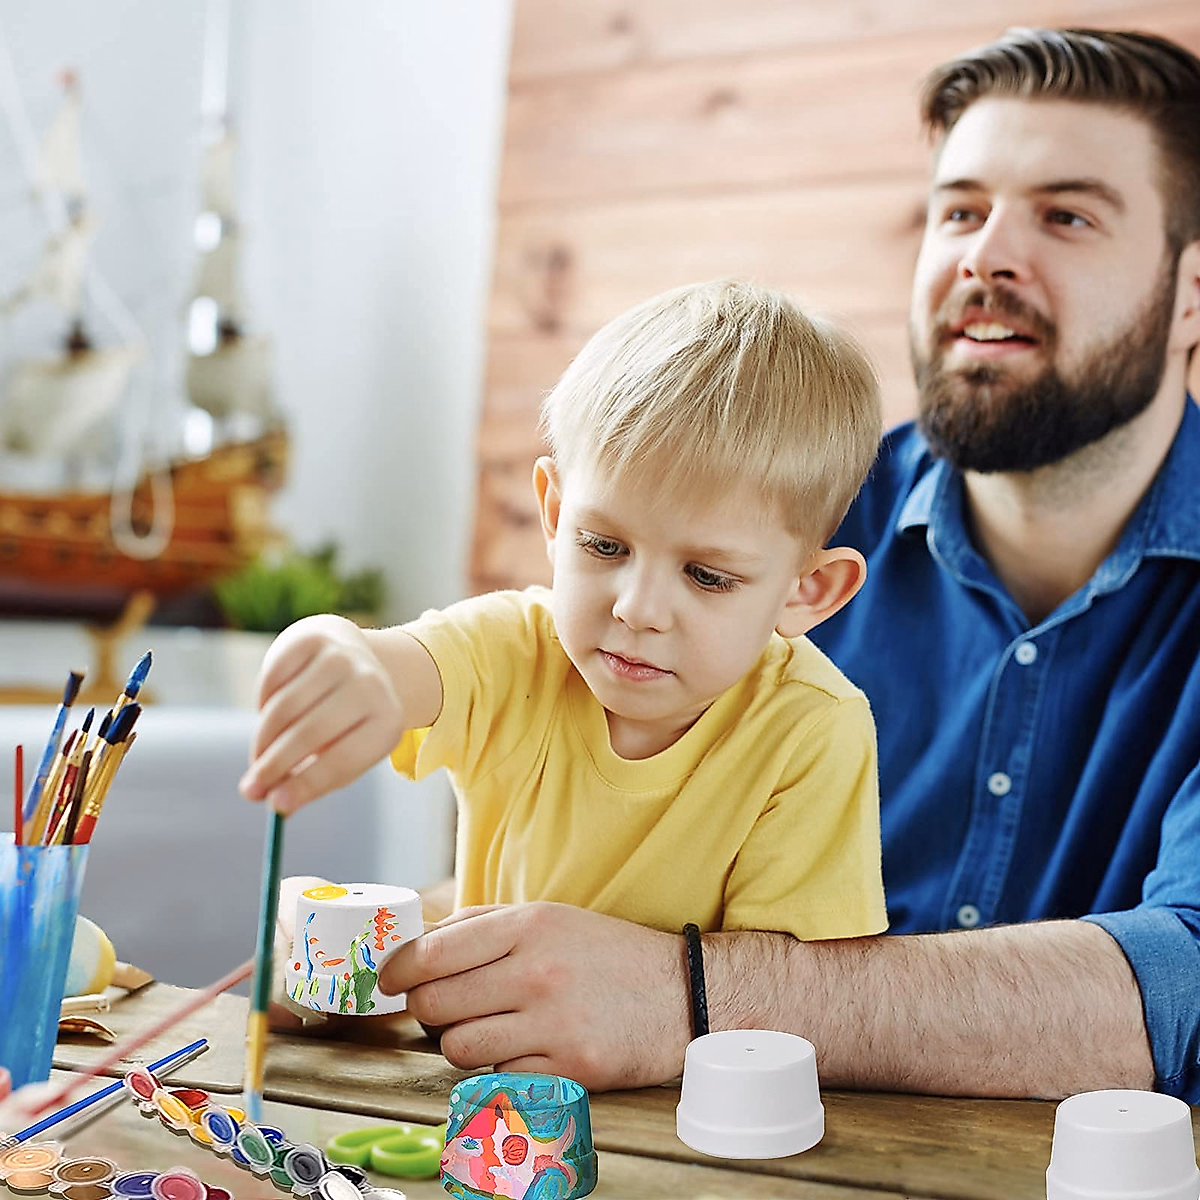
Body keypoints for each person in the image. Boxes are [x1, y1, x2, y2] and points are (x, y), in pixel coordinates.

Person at [366, 26, 1200, 1100]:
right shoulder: (761, 524)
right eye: (958, 209)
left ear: (1190, 292)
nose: (985, 256)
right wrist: (405, 953)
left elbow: (1187, 982)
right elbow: (600, 883)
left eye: (1066, 214)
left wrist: (696, 998)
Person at [242, 281, 890, 973]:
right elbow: (390, 662)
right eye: (605, 547)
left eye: (707, 576)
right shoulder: (516, 646)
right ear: (554, 514)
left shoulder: (814, 731)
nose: (637, 610)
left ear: (808, 590)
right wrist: (340, 655)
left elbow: (779, 993)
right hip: (481, 1077)